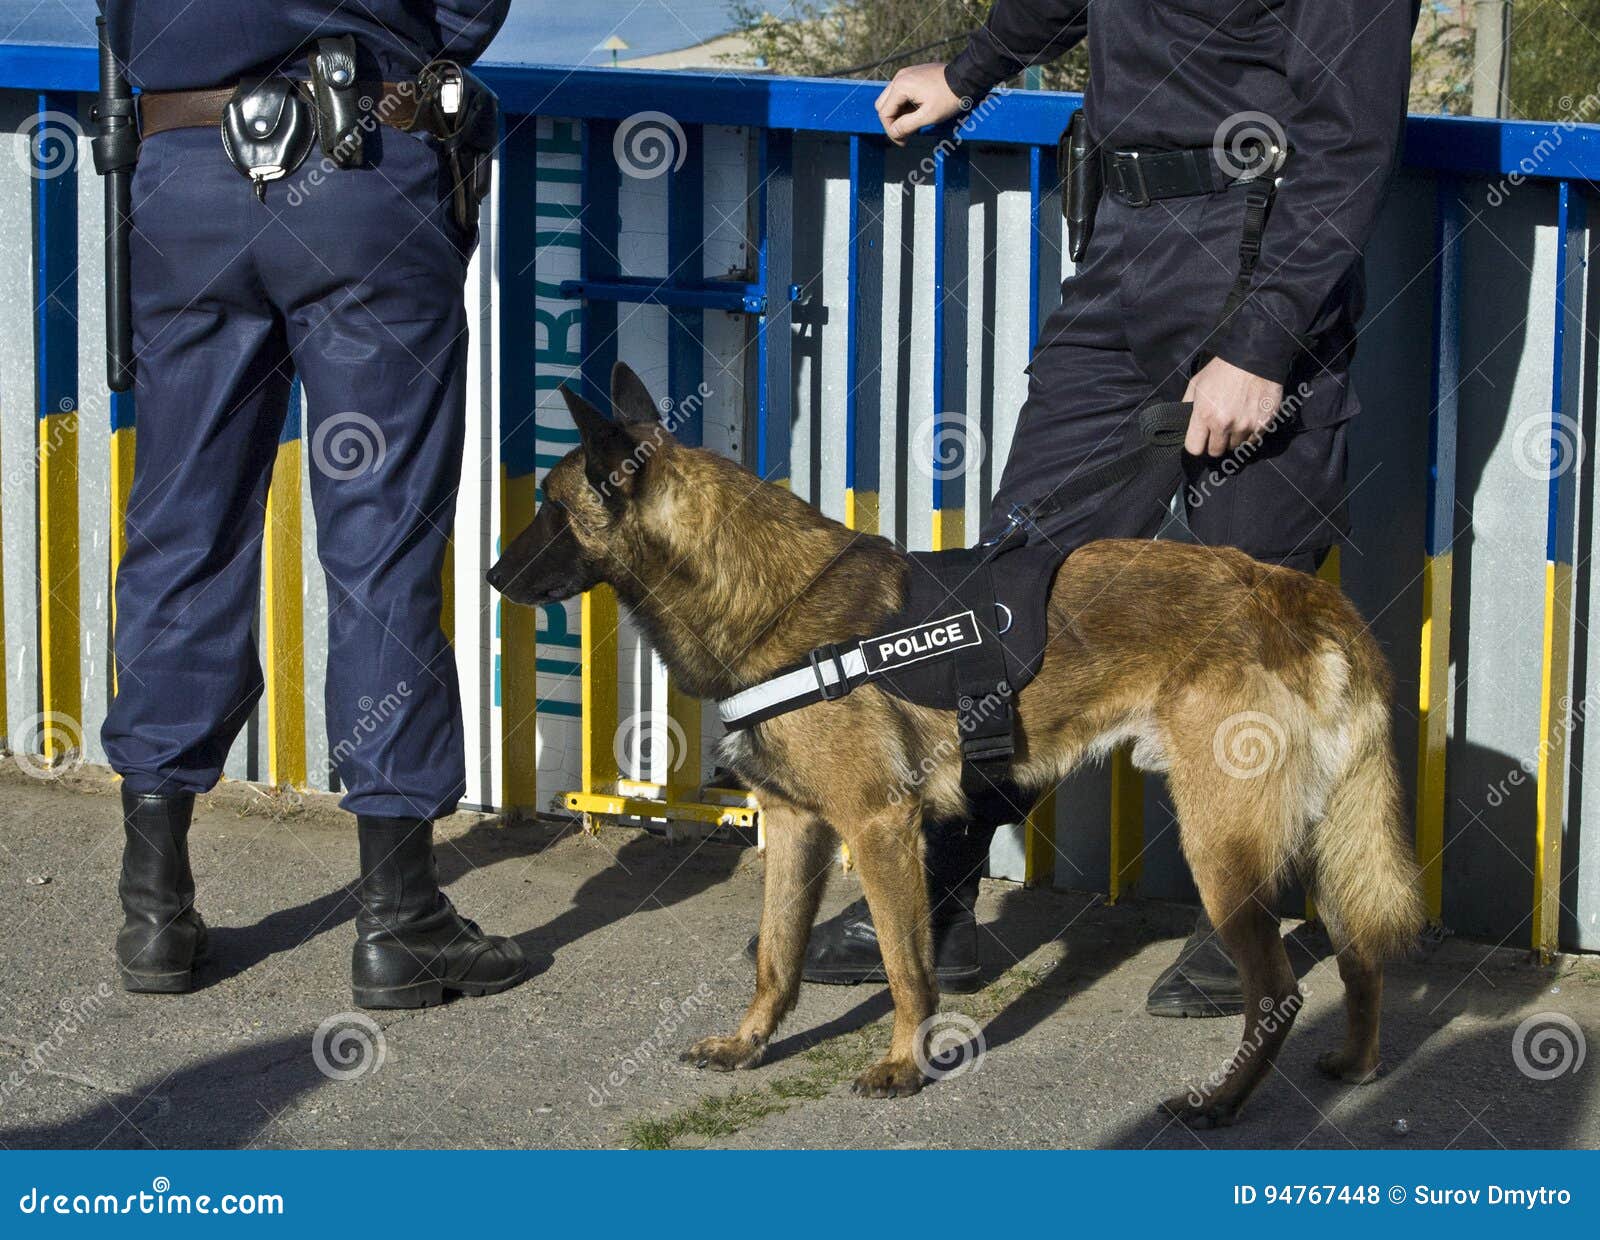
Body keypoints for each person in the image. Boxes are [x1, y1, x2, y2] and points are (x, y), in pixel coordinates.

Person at [779, 0, 1421, 1014]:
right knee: (1015, 584)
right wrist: (970, 70)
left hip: (1257, 256)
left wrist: (1262, 346)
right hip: (1121, 249)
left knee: (1248, 608)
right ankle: (941, 896)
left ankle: (1242, 918)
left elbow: (1350, 144)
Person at [99, 1, 526, 1008]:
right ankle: (400, 922)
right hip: (360, 173)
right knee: (382, 547)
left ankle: (154, 910)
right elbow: (466, 14)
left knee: (181, 534)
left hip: (183, 174)